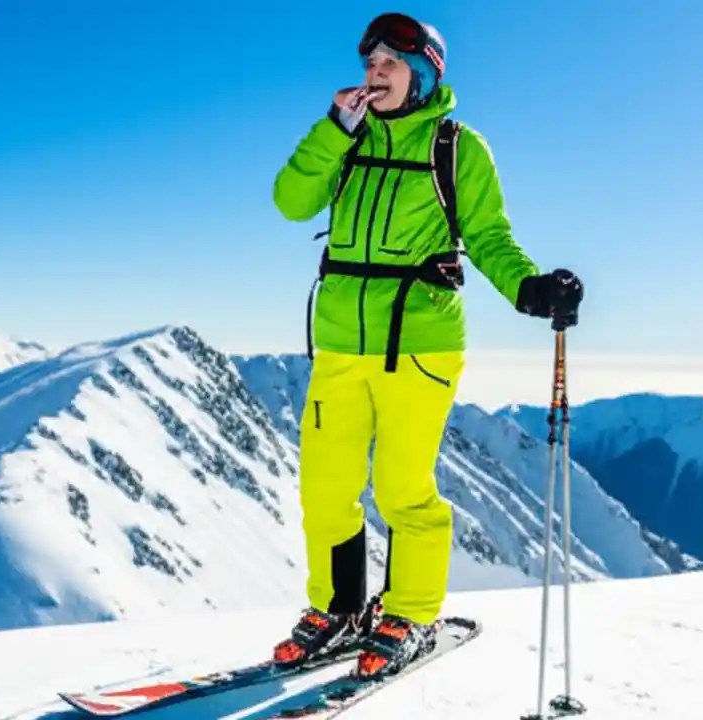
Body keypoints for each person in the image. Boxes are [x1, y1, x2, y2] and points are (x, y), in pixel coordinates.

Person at [270, 11, 584, 679]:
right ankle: (338, 608)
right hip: (338, 346)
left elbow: (491, 236)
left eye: (388, 64)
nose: (372, 75)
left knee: (402, 487)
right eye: (368, 65)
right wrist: (332, 132)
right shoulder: (346, 143)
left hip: (421, 344)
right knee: (325, 488)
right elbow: (290, 201)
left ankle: (409, 612)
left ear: (423, 74)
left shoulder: (456, 148)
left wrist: (528, 287)